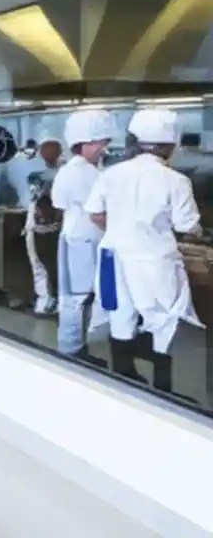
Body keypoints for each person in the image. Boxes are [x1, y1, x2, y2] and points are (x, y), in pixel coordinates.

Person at [86, 109, 203, 390]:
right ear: (170, 145)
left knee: (119, 314)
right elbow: (187, 225)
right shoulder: (175, 180)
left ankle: (124, 377)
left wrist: (123, 230)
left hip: (113, 257)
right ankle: (163, 389)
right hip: (155, 261)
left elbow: (95, 214)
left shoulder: (111, 173)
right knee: (162, 320)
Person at [50, 110, 113, 361]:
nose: (103, 149)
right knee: (76, 298)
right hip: (80, 241)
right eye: (99, 143)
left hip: (83, 240)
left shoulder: (81, 170)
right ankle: (71, 351)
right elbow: (98, 213)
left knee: (81, 296)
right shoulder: (81, 172)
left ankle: (77, 347)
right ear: (83, 143)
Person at [14, 137, 63, 312]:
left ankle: (45, 302)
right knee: (51, 266)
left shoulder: (43, 176)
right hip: (49, 227)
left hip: (41, 228)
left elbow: (36, 201)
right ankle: (52, 300)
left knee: (41, 266)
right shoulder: (56, 174)